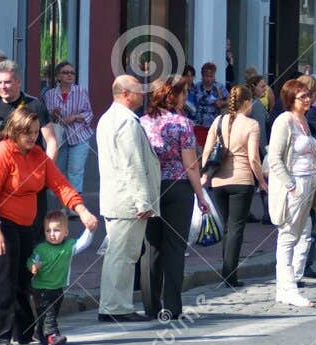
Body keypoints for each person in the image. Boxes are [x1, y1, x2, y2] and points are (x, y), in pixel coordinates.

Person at [0, 109, 97, 345]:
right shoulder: (0, 154)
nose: (32, 137)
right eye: (26, 133)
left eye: (34, 132)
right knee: (3, 278)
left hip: (25, 224)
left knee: (27, 276)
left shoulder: (38, 155)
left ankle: (25, 332)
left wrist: (82, 211)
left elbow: (60, 185)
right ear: (14, 130)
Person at [140, 76, 210, 322]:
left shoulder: (143, 123)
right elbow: (190, 165)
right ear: (175, 96)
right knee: (174, 247)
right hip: (178, 188)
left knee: (151, 247)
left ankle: (150, 305)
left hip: (151, 188)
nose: (185, 97)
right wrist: (201, 196)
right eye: (184, 93)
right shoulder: (183, 124)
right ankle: (171, 306)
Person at [95, 75, 160, 322]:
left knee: (118, 254)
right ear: (124, 93)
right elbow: (132, 165)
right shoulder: (127, 122)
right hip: (127, 200)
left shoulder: (108, 118)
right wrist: (144, 201)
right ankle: (115, 307)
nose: (142, 95)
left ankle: (114, 305)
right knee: (123, 256)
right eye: (137, 91)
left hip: (116, 197)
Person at [267, 76, 316, 307]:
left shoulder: (302, 120)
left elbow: (310, 155)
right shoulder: (285, 120)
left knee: (303, 233)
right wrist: (290, 185)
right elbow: (274, 158)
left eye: (308, 95)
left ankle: (286, 286)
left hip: (310, 182)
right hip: (295, 185)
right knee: (289, 236)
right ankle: (288, 287)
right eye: (303, 96)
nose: (308, 99)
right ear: (291, 98)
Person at [200, 84, 267, 288]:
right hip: (242, 179)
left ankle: (226, 271)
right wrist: (262, 182)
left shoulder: (218, 120)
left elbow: (207, 151)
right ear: (246, 102)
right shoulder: (251, 124)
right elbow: (254, 158)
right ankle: (230, 275)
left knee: (228, 227)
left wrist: (205, 175)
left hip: (219, 181)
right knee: (236, 229)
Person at [27, 210, 97, 345]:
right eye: (48, 230)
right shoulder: (41, 249)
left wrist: (90, 230)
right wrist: (33, 266)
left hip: (58, 287)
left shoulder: (69, 246)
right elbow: (31, 261)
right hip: (40, 288)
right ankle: (52, 335)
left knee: (51, 312)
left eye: (56, 230)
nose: (52, 234)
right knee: (49, 312)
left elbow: (83, 243)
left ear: (66, 232)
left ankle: (39, 332)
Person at [42, 61, 94, 196]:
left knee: (75, 171)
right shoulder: (50, 94)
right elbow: (47, 118)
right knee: (59, 170)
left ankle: (74, 207)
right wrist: (54, 114)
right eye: (65, 72)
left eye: (72, 73)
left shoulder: (81, 91)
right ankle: (62, 204)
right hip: (59, 138)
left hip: (79, 136)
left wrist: (75, 117)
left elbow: (89, 113)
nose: (70, 75)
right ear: (58, 76)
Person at [188, 62, 224, 145]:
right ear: (202, 75)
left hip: (214, 125)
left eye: (211, 76)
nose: (208, 79)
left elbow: (229, 100)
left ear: (214, 76)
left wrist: (222, 102)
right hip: (199, 125)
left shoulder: (219, 87)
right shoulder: (196, 87)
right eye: (206, 76)